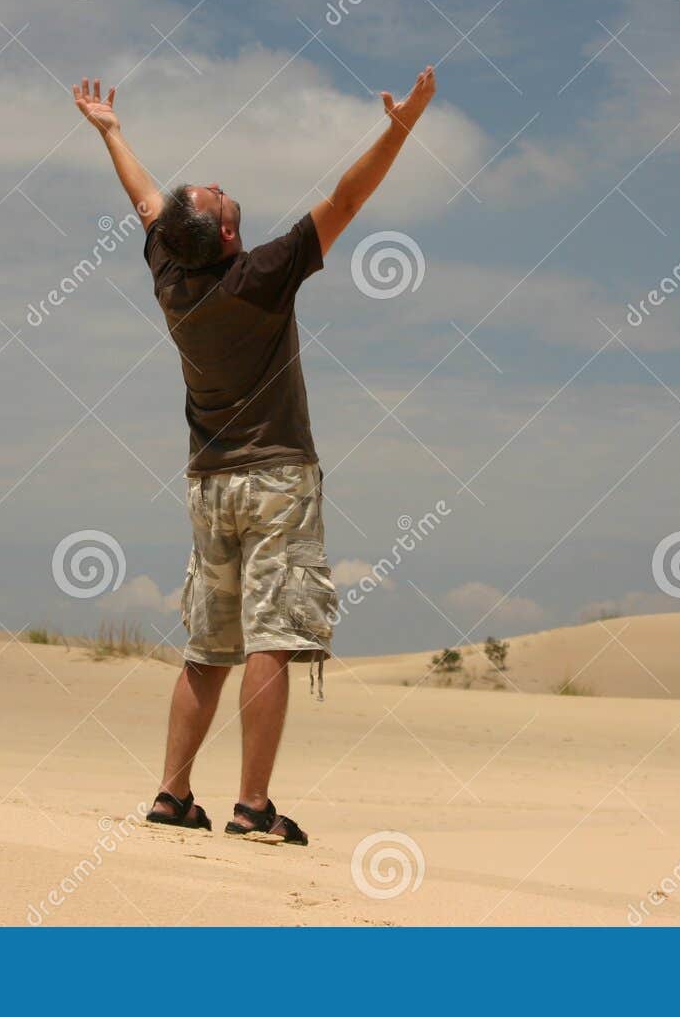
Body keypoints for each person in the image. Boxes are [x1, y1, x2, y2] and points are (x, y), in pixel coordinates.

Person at [73, 65, 438, 845]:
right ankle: (252, 807)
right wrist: (400, 129)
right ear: (228, 232)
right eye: (210, 194)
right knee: (270, 638)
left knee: (208, 645)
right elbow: (345, 201)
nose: (205, 183)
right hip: (275, 479)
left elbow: (147, 203)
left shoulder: (172, 274)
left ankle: (172, 795)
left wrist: (112, 133)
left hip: (207, 485)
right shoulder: (259, 274)